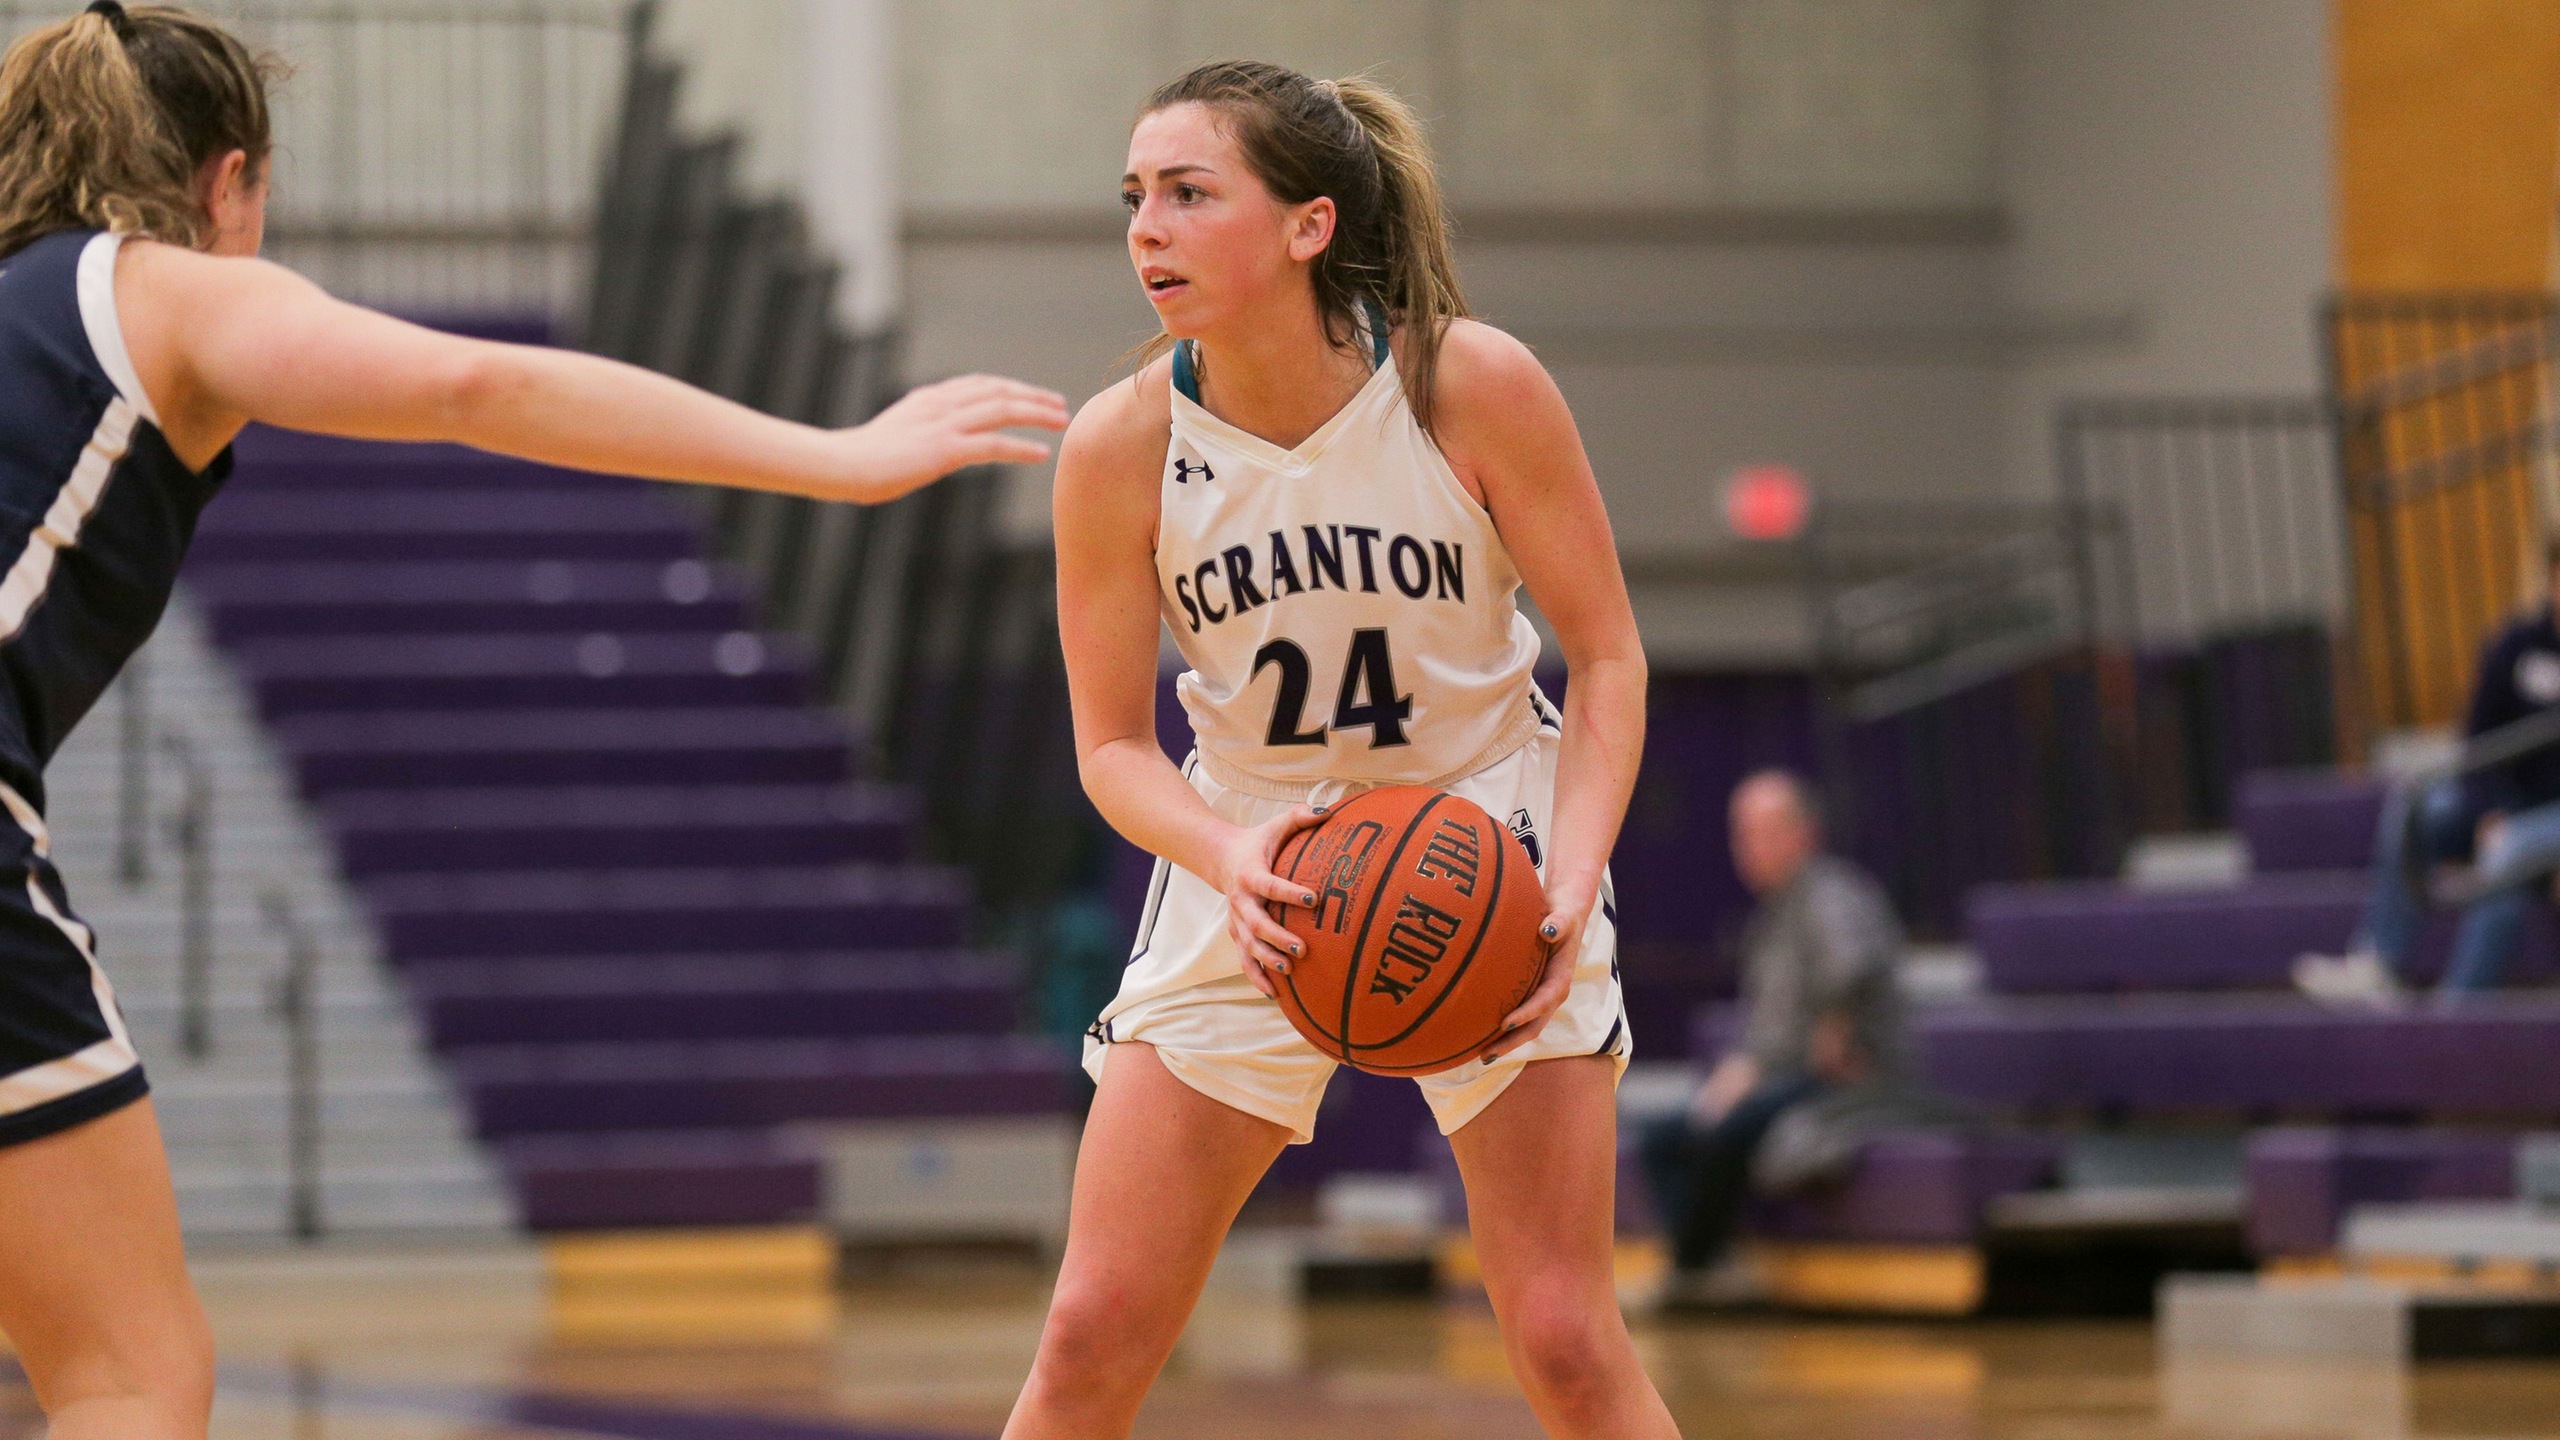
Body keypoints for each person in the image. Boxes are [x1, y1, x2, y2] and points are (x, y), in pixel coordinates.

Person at [0, 7, 1068, 1436]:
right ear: (228, 181)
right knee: (127, 1373)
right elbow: (472, 383)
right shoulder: (165, 290)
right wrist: (839, 456)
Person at [1012, 61, 1671, 1438]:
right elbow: (1112, 751)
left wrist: (1570, 875)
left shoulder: (1468, 383)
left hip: (1487, 832)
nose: (1147, 229)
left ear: (1308, 225)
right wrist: (1228, 853)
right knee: (1087, 1331)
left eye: (1191, 195)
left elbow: (1608, 657)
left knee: (1560, 1335)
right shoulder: (1119, 450)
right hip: (1249, 850)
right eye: (1134, 199)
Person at [1639, 770, 1913, 1309]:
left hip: (1847, 1080)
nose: (1749, 847)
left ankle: (1694, 1268)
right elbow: (1767, 1028)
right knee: (1664, 1138)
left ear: (1804, 833)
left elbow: (1853, 970)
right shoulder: (1772, 914)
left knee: (1728, 1131)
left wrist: (1837, 1028)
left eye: (1764, 831)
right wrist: (1741, 1069)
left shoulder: (1831, 894)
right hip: (1784, 1075)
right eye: (1741, 832)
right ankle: (1706, 1263)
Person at [2297, 537, 2560, 1004]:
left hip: (2547, 820)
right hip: (2504, 807)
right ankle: (2378, 960)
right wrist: (2488, 813)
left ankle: (2457, 1007)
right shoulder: (2515, 645)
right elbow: (2478, 746)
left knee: (2509, 857)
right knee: (2419, 807)